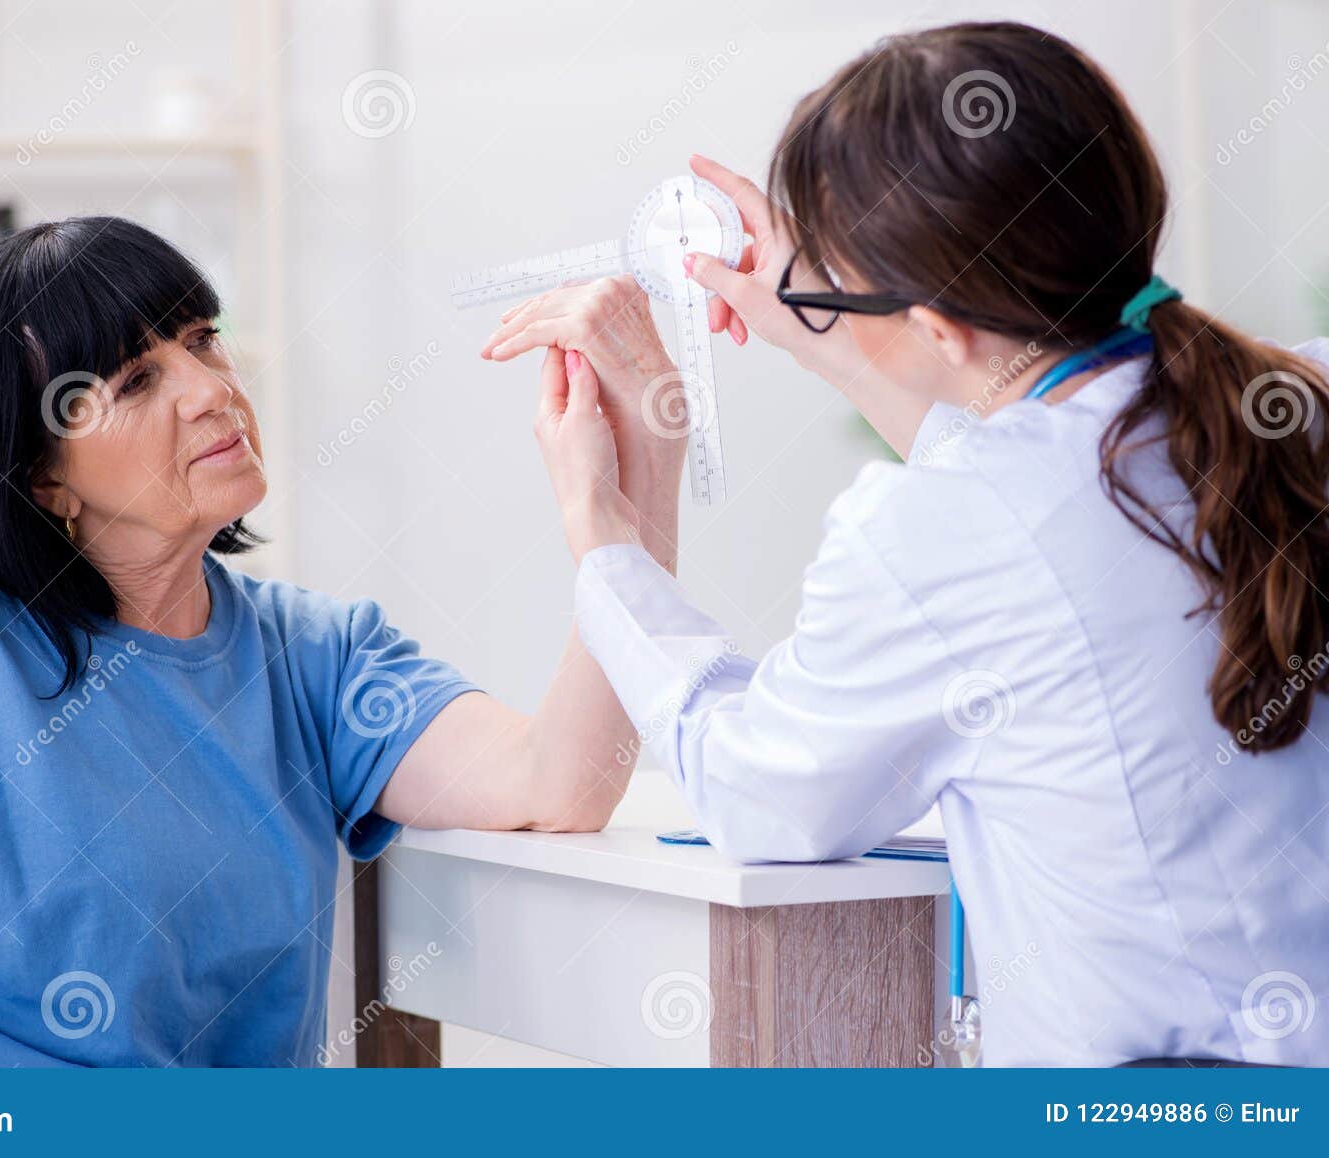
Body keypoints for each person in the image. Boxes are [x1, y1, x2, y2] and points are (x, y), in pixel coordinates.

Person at [485, 20, 1329, 1066]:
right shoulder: (1293, 400)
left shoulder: (937, 526)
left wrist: (603, 536)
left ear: (934, 327)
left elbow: (763, 794)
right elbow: (1035, 500)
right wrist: (835, 332)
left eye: (830, 270)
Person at [0, 216, 677, 1066]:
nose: (211, 389)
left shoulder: (315, 653)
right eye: (137, 380)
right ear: (40, 476)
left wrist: (632, 486)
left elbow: (560, 786)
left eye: (201, 339)